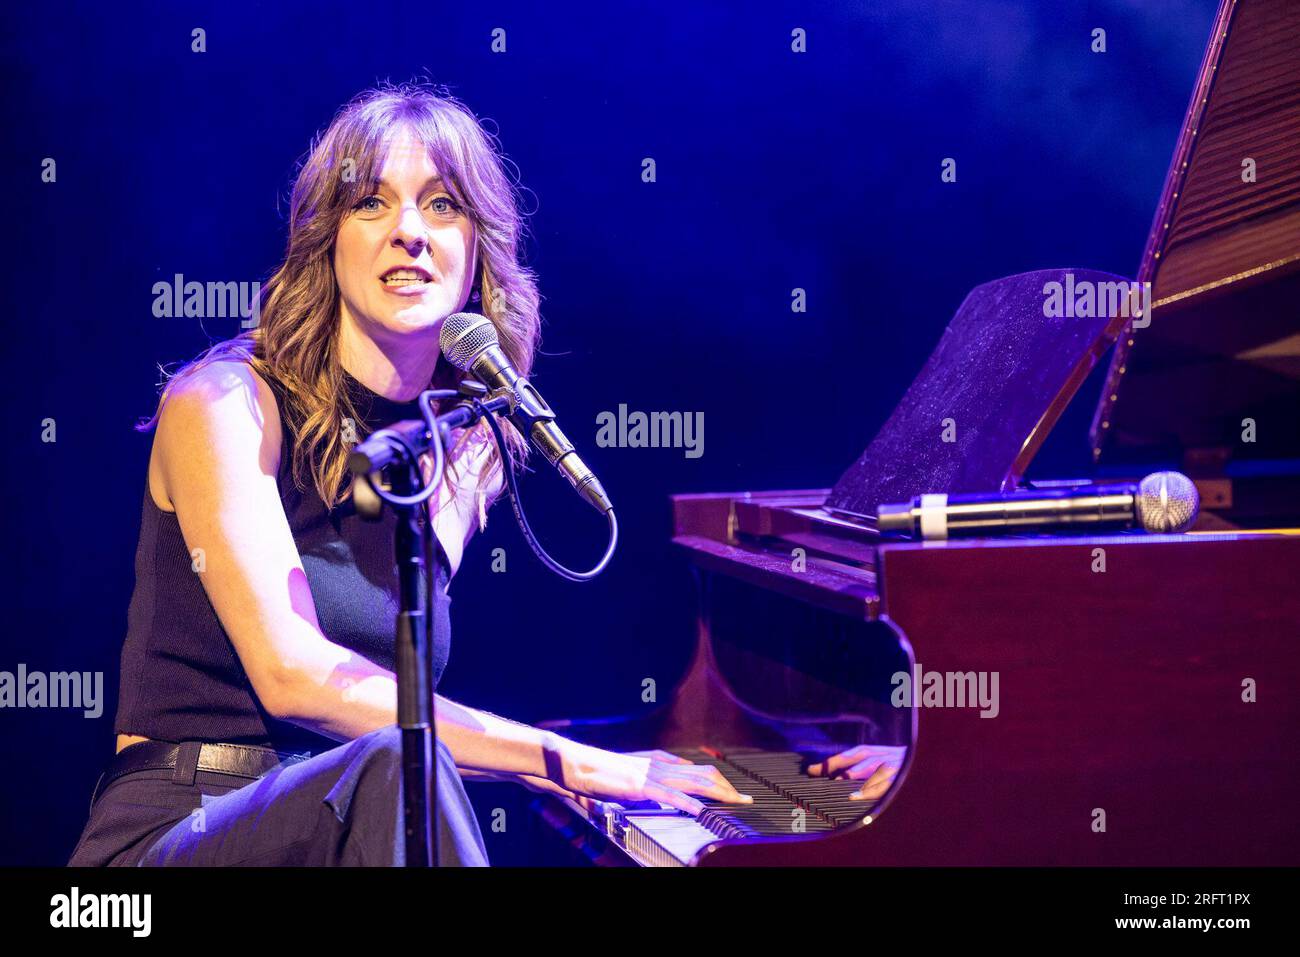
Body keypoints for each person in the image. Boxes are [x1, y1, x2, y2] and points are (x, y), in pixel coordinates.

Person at [68, 82, 749, 867]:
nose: (410, 233)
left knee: (403, 770)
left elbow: (398, 719)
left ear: (476, 251)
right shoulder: (225, 404)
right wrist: (563, 758)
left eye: (442, 205)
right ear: (328, 239)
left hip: (349, 826)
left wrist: (562, 768)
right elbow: (295, 677)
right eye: (371, 204)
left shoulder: (460, 452)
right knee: (398, 763)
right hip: (171, 835)